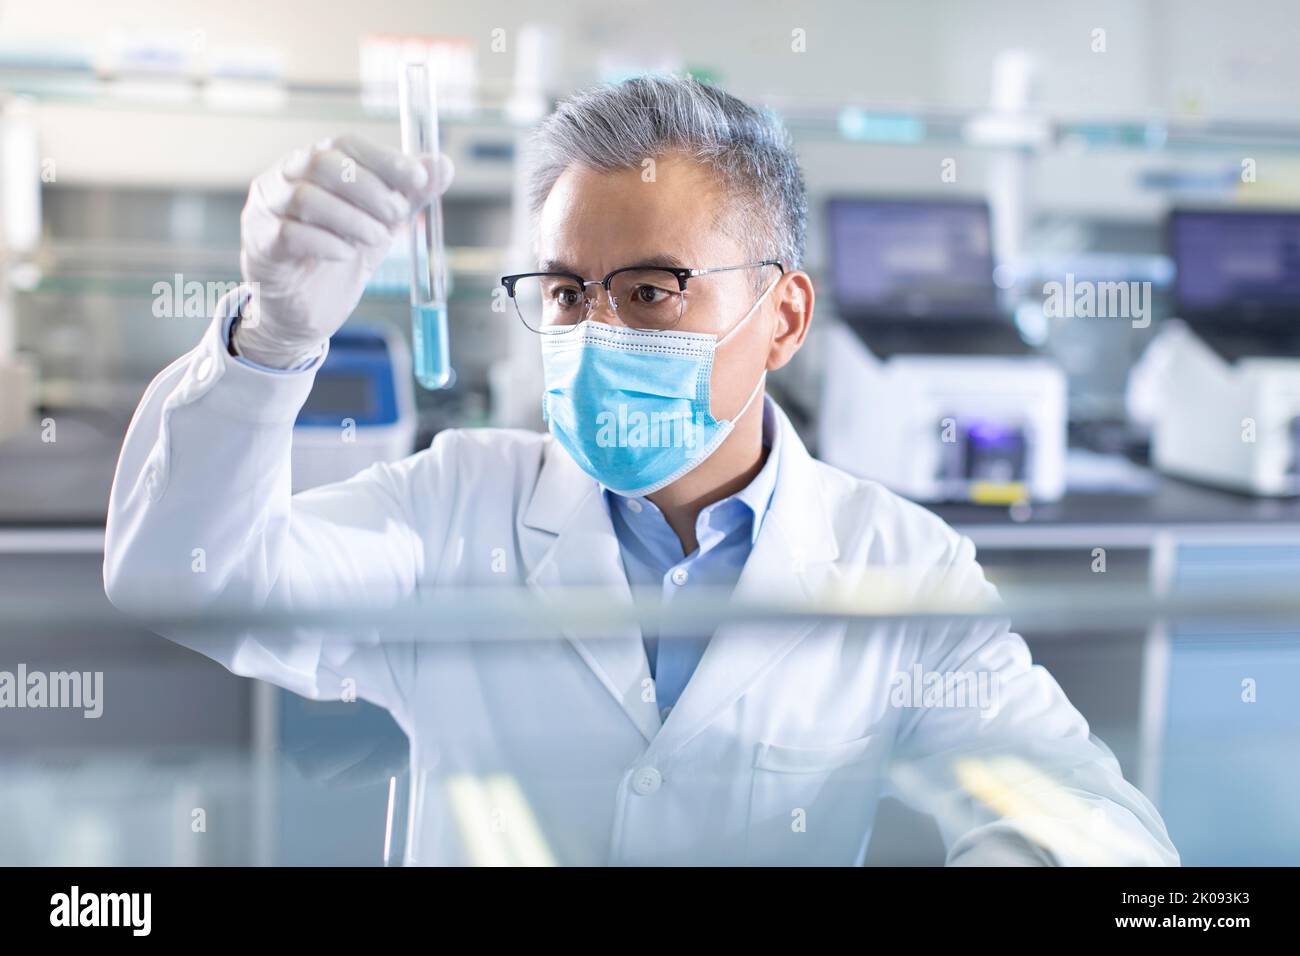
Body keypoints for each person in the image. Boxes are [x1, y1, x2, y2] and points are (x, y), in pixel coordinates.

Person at [104, 74, 1177, 866]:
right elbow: (186, 577)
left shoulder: (901, 563)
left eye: (653, 289)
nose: (595, 326)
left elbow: (1100, 828)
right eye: (568, 291)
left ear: (783, 316)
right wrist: (275, 339)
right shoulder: (453, 504)